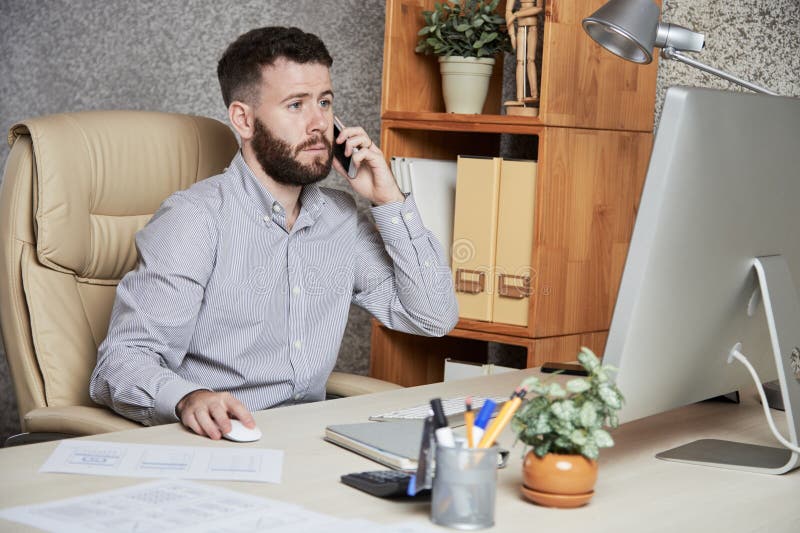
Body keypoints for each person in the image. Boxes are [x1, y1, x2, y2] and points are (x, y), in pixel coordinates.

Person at [89, 27, 459, 439]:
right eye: (296, 105)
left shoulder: (339, 218)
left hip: (309, 441)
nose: (318, 124)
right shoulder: (195, 219)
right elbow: (121, 362)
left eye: (325, 102)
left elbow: (433, 317)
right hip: (216, 443)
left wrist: (389, 201)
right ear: (243, 120)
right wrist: (188, 397)